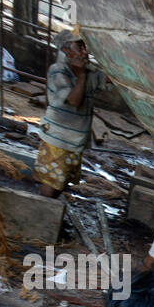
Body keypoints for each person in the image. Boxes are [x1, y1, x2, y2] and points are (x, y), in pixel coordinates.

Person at [35, 31, 106, 199]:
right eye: (79, 47)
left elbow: (109, 79)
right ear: (67, 51)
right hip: (58, 139)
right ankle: (43, 211)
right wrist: (81, 76)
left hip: (75, 141)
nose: (84, 52)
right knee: (51, 181)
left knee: (62, 181)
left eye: (84, 47)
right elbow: (74, 100)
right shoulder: (58, 71)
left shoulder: (88, 72)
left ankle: (49, 210)